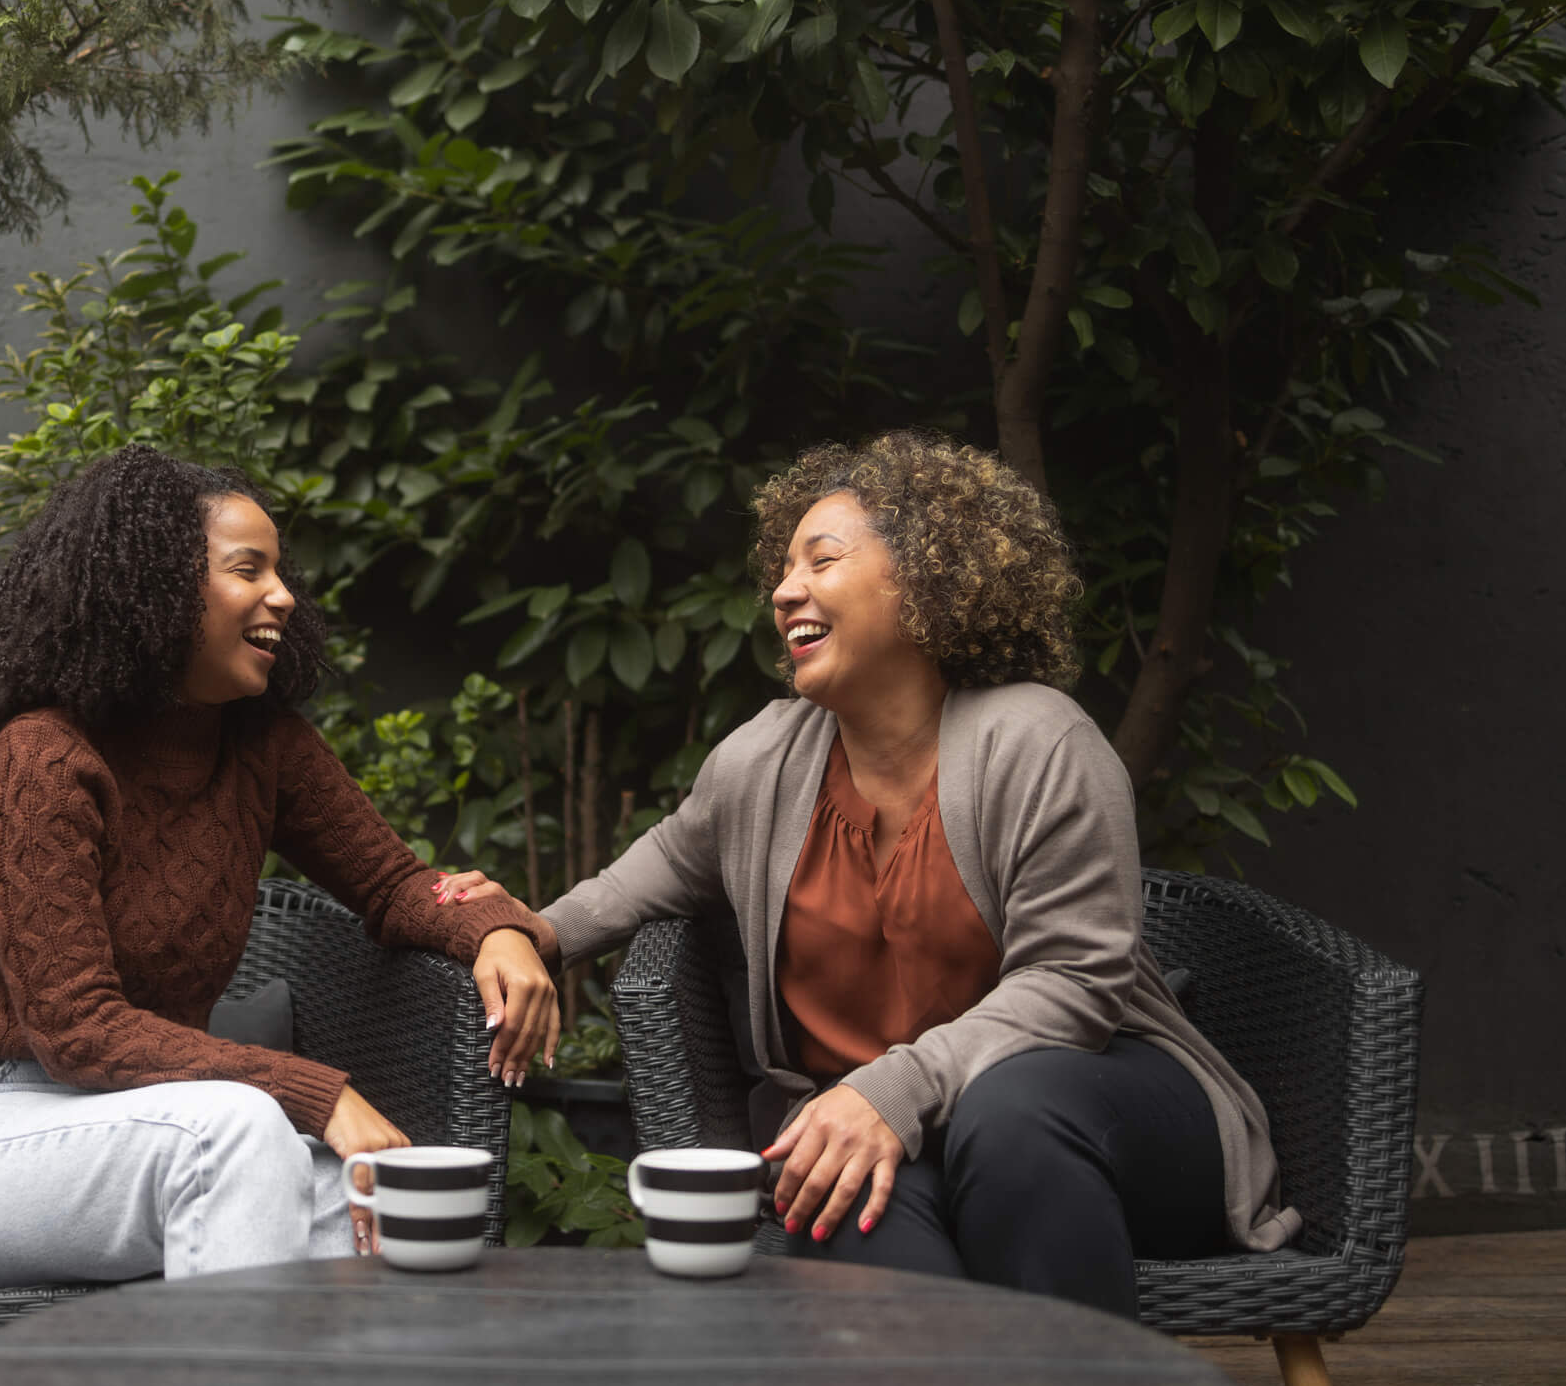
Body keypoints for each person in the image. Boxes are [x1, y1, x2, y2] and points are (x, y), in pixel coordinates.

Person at [443, 430, 1298, 1317]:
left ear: (927, 579)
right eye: (781, 569)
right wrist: (527, 929)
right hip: (881, 1138)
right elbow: (654, 867)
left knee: (1011, 1112)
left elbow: (1074, 984)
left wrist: (891, 1089)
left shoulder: (1037, 742)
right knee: (840, 1197)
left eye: (822, 560)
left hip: (1102, 1120)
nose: (783, 591)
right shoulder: (763, 762)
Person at [0, 445, 559, 1287]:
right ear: (154, 592)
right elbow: (77, 1029)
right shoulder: (43, 759)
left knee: (398, 1206)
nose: (284, 596)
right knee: (242, 1129)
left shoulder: (263, 748)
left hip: (153, 1126)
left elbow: (391, 884)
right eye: (247, 570)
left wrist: (498, 932)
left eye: (279, 570)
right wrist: (319, 1093)